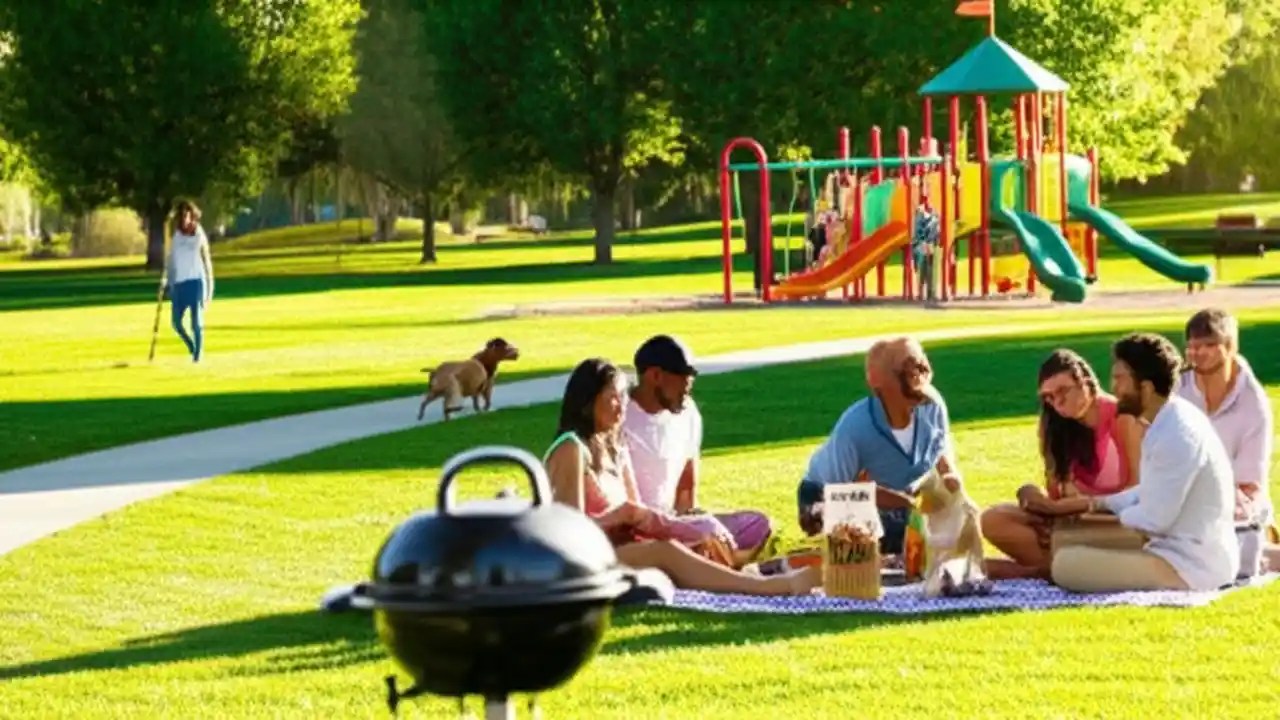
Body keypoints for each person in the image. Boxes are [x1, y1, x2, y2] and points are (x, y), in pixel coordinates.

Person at [544, 358, 820, 596]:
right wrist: (620, 516)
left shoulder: (616, 447)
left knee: (692, 543)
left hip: (624, 546)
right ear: (588, 400)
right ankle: (769, 586)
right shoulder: (572, 448)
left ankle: (762, 574)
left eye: (622, 397)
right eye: (613, 397)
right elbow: (570, 532)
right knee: (665, 552)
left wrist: (690, 530)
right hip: (584, 560)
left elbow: (641, 514)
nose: (621, 406)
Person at [1044, 333, 1239, 592]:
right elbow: (1150, 491)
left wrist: (1114, 514)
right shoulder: (1166, 420)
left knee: (1065, 564)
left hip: (1191, 567)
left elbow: (1154, 519)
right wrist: (1100, 504)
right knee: (1064, 544)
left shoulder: (1177, 434)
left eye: (1120, 379)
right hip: (1172, 550)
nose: (1113, 388)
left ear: (1145, 387)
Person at [980, 350, 1144, 579]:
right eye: (1048, 397)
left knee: (1130, 534)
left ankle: (1037, 570)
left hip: (1116, 523)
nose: (1057, 402)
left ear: (1085, 382)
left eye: (1063, 391)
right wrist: (1031, 495)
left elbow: (1136, 492)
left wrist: (1073, 509)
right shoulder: (1054, 427)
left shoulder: (1123, 418)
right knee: (993, 519)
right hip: (1071, 525)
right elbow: (1055, 495)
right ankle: (1056, 568)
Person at [796, 337, 963, 556]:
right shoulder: (857, 426)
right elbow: (840, 491)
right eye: (905, 370)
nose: (917, 378)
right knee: (885, 539)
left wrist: (954, 488)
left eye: (920, 366)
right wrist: (905, 504)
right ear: (878, 381)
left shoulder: (932, 406)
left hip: (898, 497)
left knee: (942, 536)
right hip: (827, 494)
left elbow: (940, 452)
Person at [622, 335, 773, 568]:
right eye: (683, 375)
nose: (689, 384)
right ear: (655, 376)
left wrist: (693, 524)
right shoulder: (619, 416)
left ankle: (707, 562)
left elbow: (686, 490)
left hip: (674, 522)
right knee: (702, 536)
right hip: (636, 531)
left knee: (757, 525)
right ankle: (715, 566)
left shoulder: (688, 413)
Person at [1176, 308, 1277, 575]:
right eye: (1193, 346)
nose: (1199, 353)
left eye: (1210, 345)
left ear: (1230, 347)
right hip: (1179, 499)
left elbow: (1250, 485)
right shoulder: (1178, 389)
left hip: (1236, 507)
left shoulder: (1254, 406)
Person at [163, 199, 214, 362]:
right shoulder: (176, 236)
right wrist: (168, 282)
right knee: (176, 324)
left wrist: (209, 291)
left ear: (193, 216)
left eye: (188, 215)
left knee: (196, 323)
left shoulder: (199, 234)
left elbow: (207, 262)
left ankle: (197, 355)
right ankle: (191, 346)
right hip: (179, 284)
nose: (185, 219)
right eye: (182, 216)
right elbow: (171, 261)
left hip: (196, 282)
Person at [912, 196, 940, 302]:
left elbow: (935, 231)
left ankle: (930, 292)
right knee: (922, 266)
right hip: (922, 244)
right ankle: (921, 292)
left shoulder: (934, 214)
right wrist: (925, 244)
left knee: (931, 267)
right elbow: (919, 231)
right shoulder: (920, 214)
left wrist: (931, 243)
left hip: (930, 244)